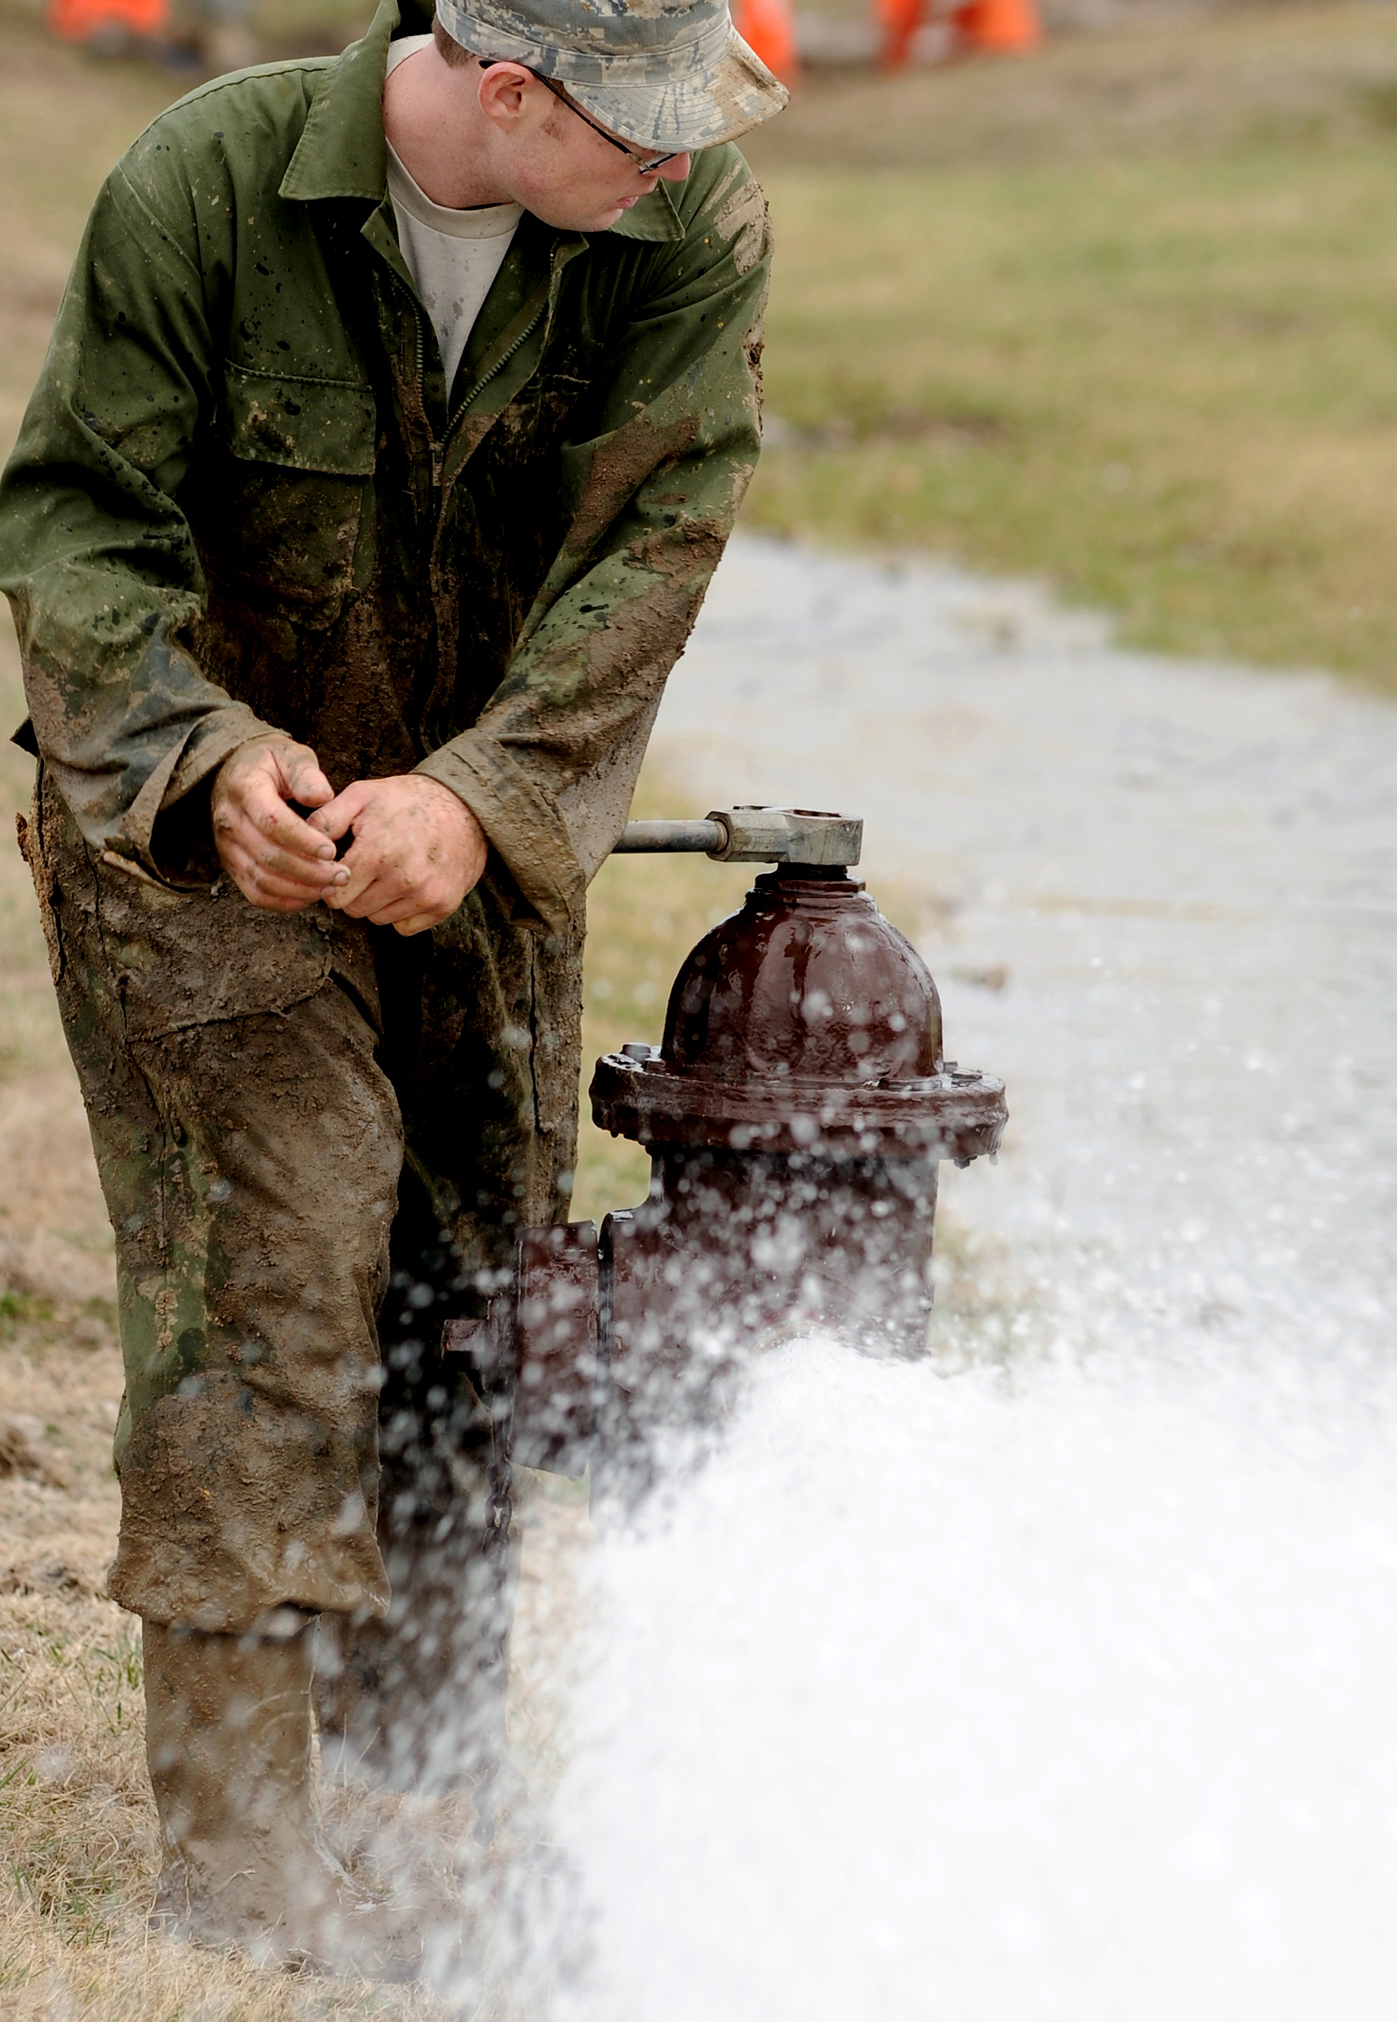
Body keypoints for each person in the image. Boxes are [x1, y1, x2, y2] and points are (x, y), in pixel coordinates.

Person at [0, 0, 785, 1971]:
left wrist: (483, 795)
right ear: (511, 89)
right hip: (201, 848)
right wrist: (198, 760)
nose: (680, 162)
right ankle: (244, 1862)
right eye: (644, 129)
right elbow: (73, 532)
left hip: (479, 857)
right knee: (278, 1271)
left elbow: (660, 547)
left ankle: (421, 1792)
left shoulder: (685, 230)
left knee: (463, 1294)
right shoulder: (208, 183)